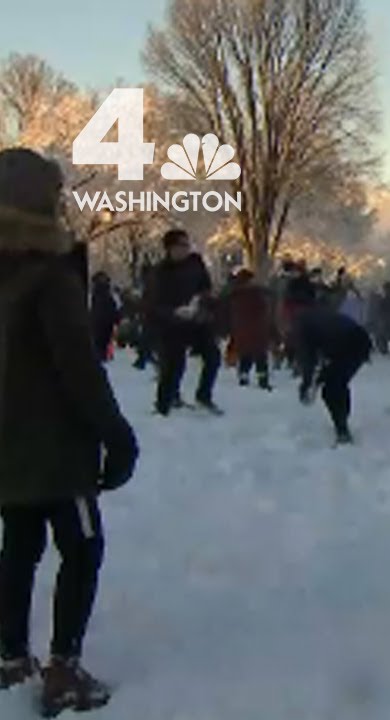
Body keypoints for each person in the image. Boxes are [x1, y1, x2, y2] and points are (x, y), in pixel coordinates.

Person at [0, 148, 138, 716]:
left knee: (19, 547)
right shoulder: (50, 279)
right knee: (82, 547)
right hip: (57, 448)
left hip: (6, 443)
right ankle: (64, 667)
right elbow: (78, 369)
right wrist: (117, 434)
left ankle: (11, 657)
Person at [149, 229, 222, 415]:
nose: (185, 249)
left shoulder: (195, 264)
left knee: (213, 357)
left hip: (196, 320)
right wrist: (174, 312)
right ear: (170, 248)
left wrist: (202, 302)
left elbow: (206, 288)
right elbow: (154, 304)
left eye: (187, 245)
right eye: (181, 246)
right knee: (174, 365)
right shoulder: (160, 272)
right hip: (172, 324)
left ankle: (203, 396)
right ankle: (163, 404)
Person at [292, 306, 373, 445]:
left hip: (346, 344)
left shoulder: (303, 326)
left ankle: (342, 430)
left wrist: (307, 383)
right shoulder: (319, 313)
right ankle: (342, 421)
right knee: (337, 383)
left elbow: (309, 359)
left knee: (332, 388)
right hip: (361, 340)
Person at [228, 268, 274, 391]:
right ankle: (262, 380)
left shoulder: (234, 294)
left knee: (246, 355)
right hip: (257, 328)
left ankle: (244, 377)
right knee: (260, 356)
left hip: (242, 328)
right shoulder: (256, 294)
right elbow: (263, 308)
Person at [88, 272, 120, 363]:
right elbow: (111, 307)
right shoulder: (104, 293)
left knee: (101, 340)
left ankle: (101, 355)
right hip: (103, 321)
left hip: (99, 321)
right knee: (102, 339)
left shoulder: (97, 293)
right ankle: (102, 355)